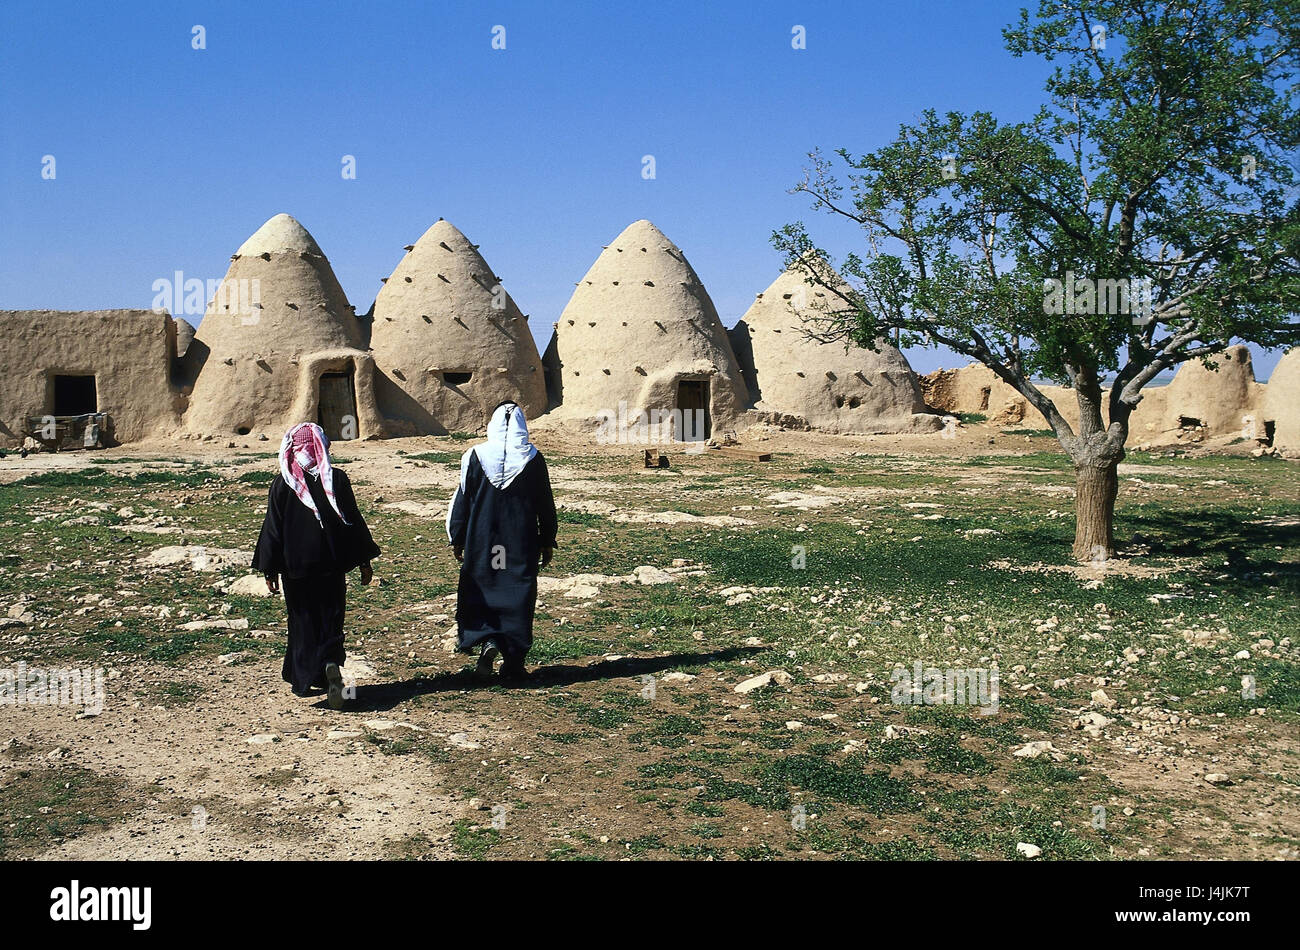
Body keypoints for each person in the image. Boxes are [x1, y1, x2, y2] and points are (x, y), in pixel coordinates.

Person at [253, 422, 380, 708]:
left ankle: (305, 679)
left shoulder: (284, 482)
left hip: (295, 567)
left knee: (302, 621)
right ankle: (330, 664)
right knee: (330, 618)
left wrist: (269, 568)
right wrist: (364, 562)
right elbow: (353, 523)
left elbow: (273, 528)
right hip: (331, 565)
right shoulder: (336, 479)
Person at [446, 401, 557, 681]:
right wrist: (547, 539)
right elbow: (545, 502)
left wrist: (457, 537)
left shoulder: (474, 455)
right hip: (519, 539)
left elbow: (462, 498)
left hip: (484, 539)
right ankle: (514, 661)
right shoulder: (533, 457)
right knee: (517, 592)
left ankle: (488, 641)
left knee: (484, 586)